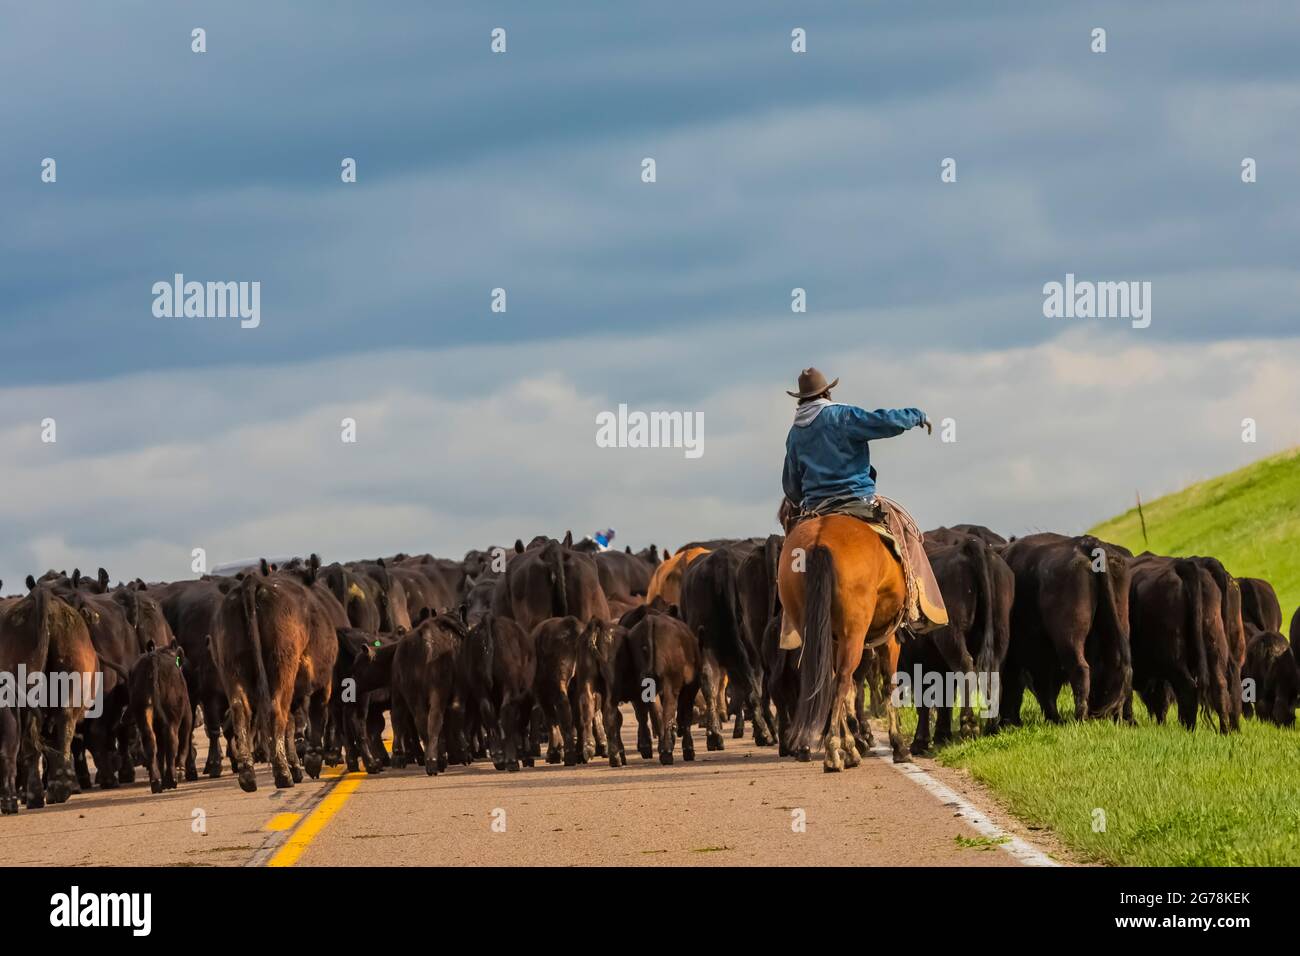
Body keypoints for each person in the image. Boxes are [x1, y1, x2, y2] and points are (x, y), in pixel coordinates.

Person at [782, 367, 930, 514]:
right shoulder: (843, 415)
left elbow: (791, 486)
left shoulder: (794, 433)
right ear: (826, 393)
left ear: (801, 399)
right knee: (902, 532)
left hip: (816, 506)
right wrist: (916, 416)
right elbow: (882, 422)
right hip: (856, 497)